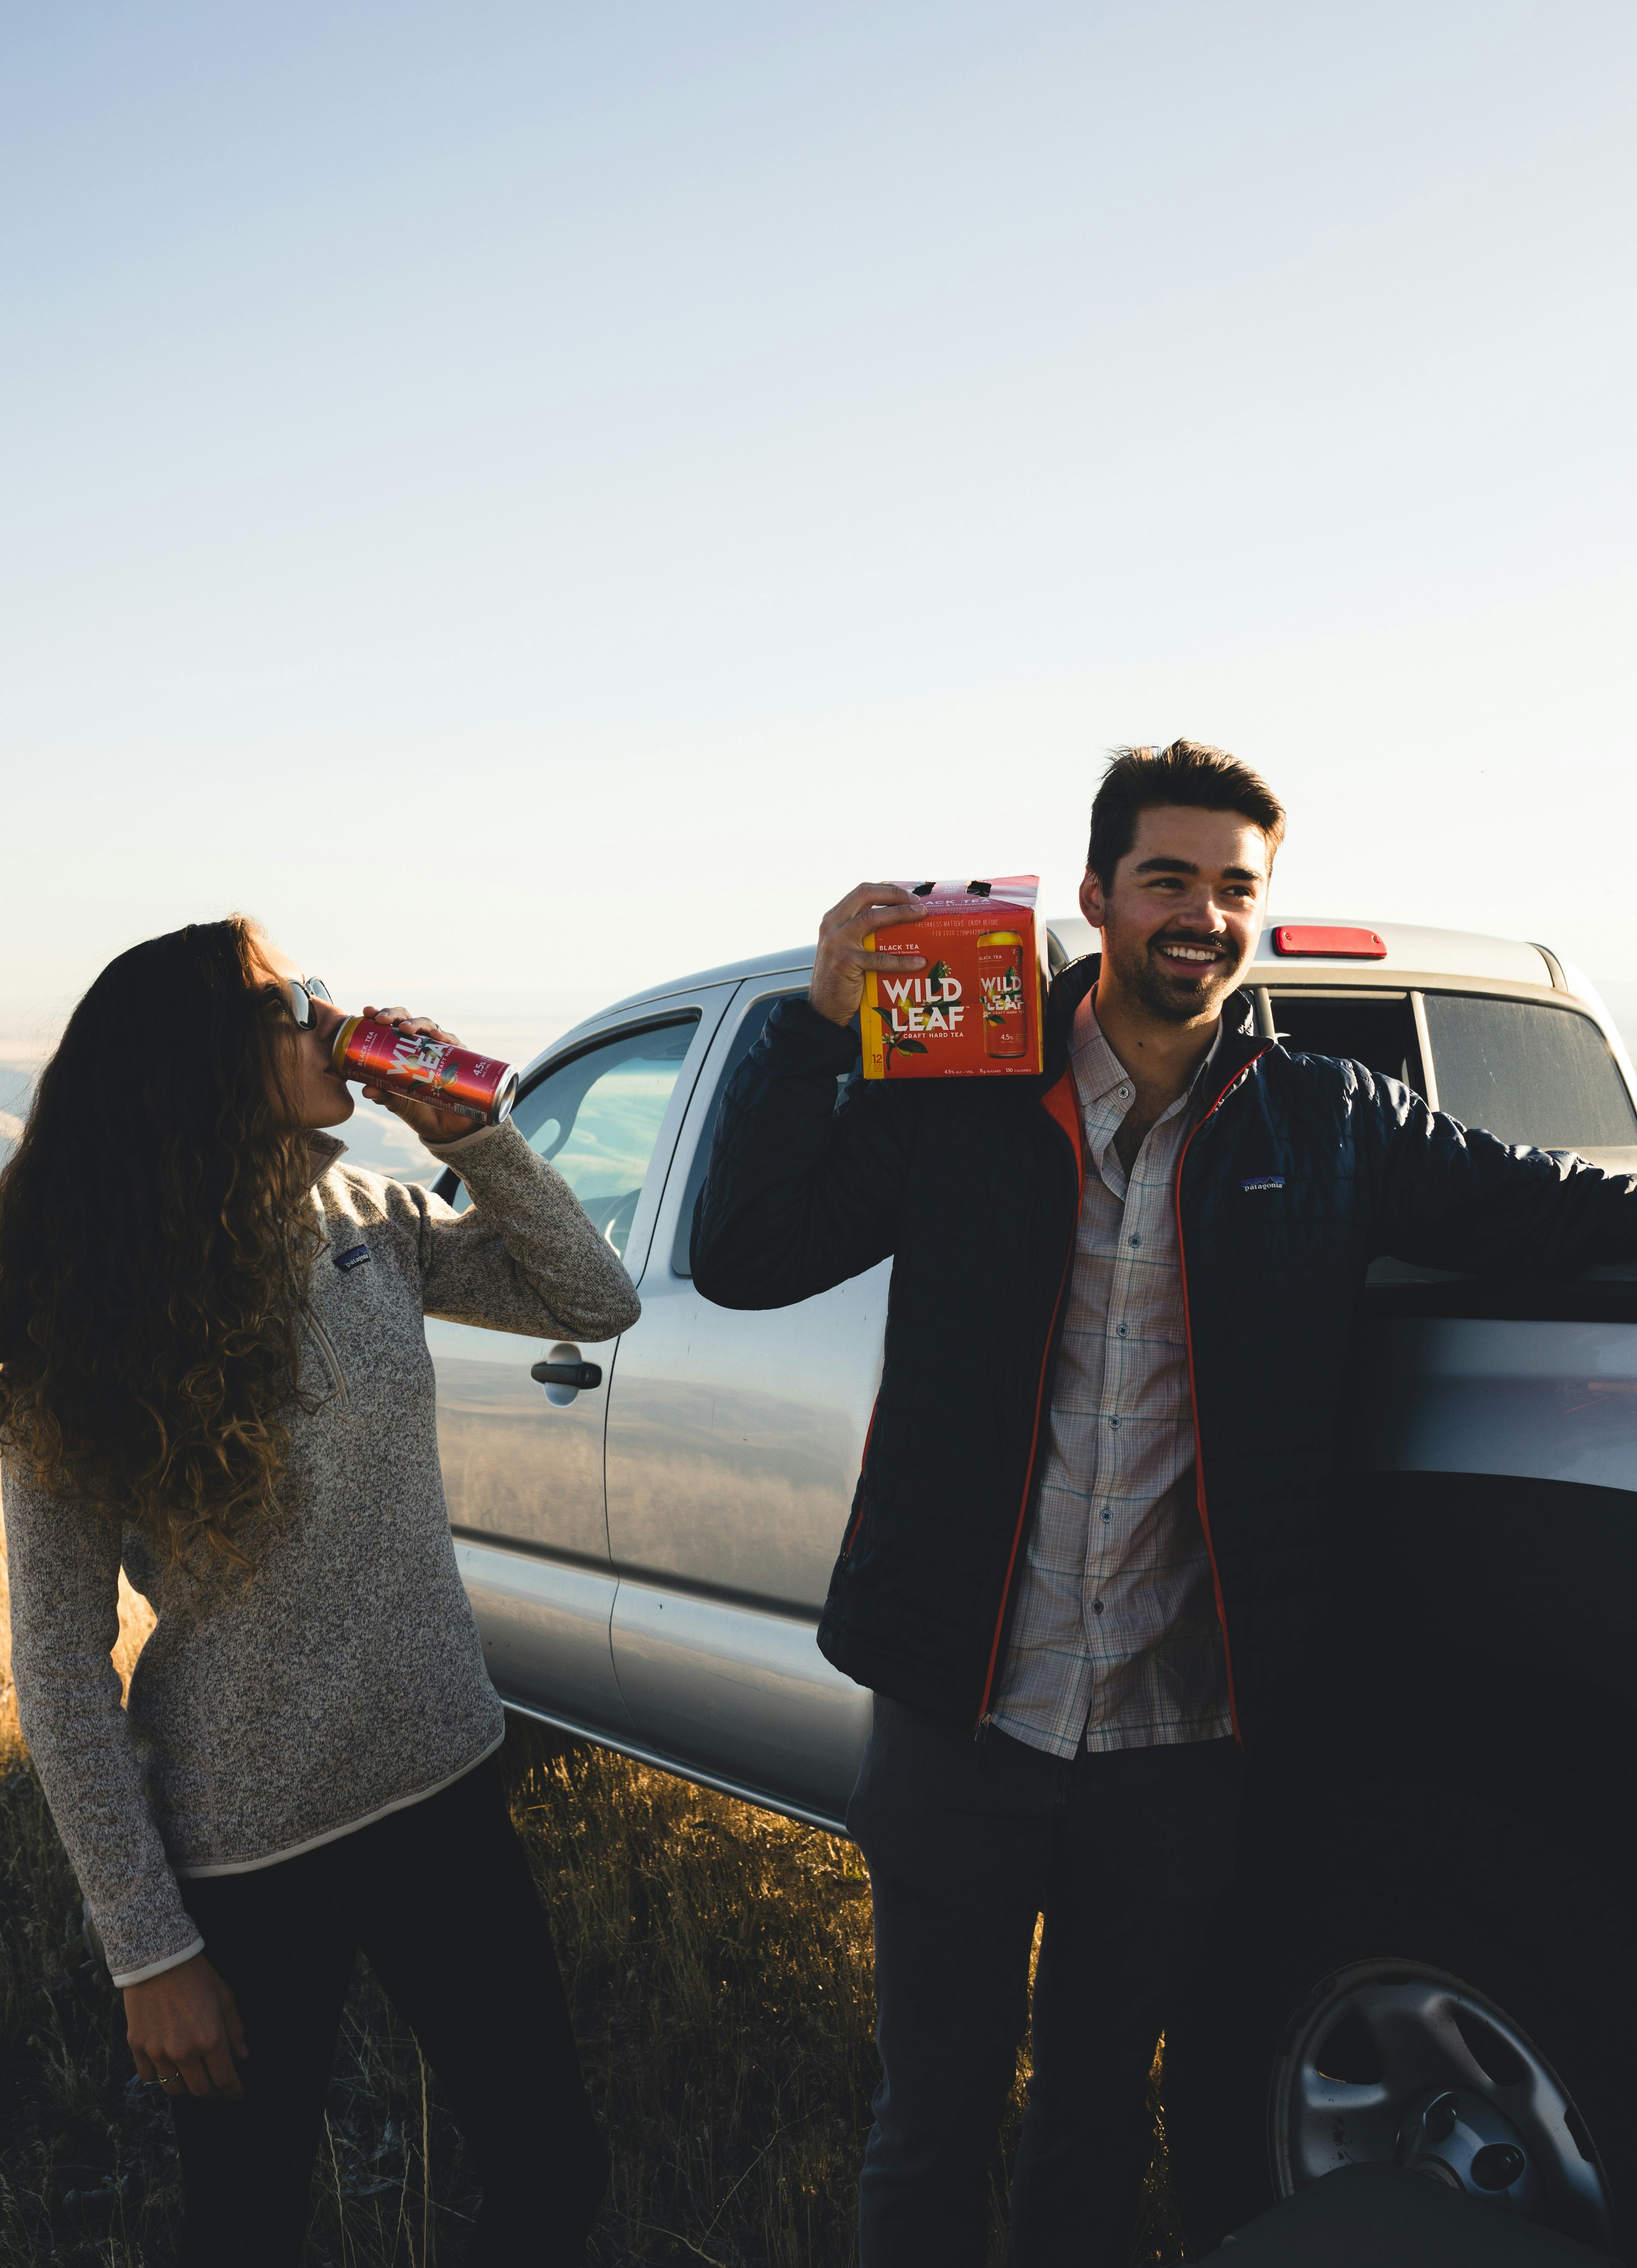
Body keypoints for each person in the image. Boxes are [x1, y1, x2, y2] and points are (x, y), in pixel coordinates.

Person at [689, 739, 1637, 2268]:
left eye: (1234, 886)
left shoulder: (1330, 1120)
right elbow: (746, 1248)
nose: (1203, 914)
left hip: (1176, 1742)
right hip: (965, 1716)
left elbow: (1560, 1204)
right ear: (1097, 898)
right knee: (927, 2124)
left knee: (1094, 2118)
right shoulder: (963, 1101)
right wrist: (815, 1019)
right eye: (1169, 881)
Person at [0, 918, 641, 2267]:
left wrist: (469, 1134)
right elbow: (57, 1662)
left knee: (554, 2169)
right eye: (295, 1003)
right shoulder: (75, 1306)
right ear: (204, 1061)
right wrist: (147, 1953)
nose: (333, 1015)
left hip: (446, 1780)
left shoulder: (376, 1219)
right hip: (249, 1849)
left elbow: (596, 1298)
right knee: (248, 2222)